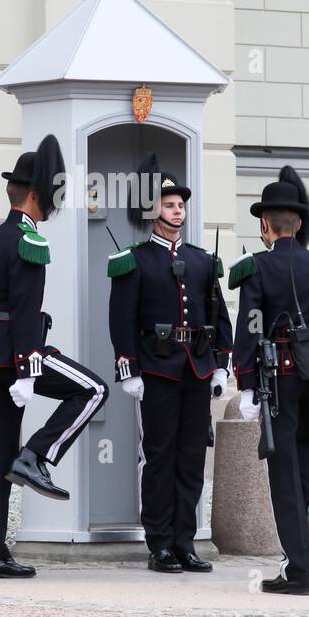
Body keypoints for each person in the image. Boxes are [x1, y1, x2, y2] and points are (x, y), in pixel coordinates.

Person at [0, 134, 109, 579]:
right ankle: (38, 456)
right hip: (15, 357)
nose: (51, 203)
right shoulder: (30, 241)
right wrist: (28, 368)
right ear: (32, 195)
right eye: (47, 195)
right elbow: (25, 311)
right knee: (94, 389)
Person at [229, 166, 309, 596]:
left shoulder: (257, 269)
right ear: (299, 224)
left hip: (279, 375)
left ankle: (298, 570)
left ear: (265, 224)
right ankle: (308, 506)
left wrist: (246, 383)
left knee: (281, 468)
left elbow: (249, 327)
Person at [108, 154, 233, 574]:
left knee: (192, 457)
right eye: (168, 204)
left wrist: (220, 365)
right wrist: (129, 368)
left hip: (196, 367)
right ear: (151, 210)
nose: (177, 210)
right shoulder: (135, 259)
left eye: (180, 205)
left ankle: (185, 541)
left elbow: (219, 316)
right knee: (158, 457)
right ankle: (159, 543)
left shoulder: (201, 260)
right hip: (157, 369)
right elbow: (121, 318)